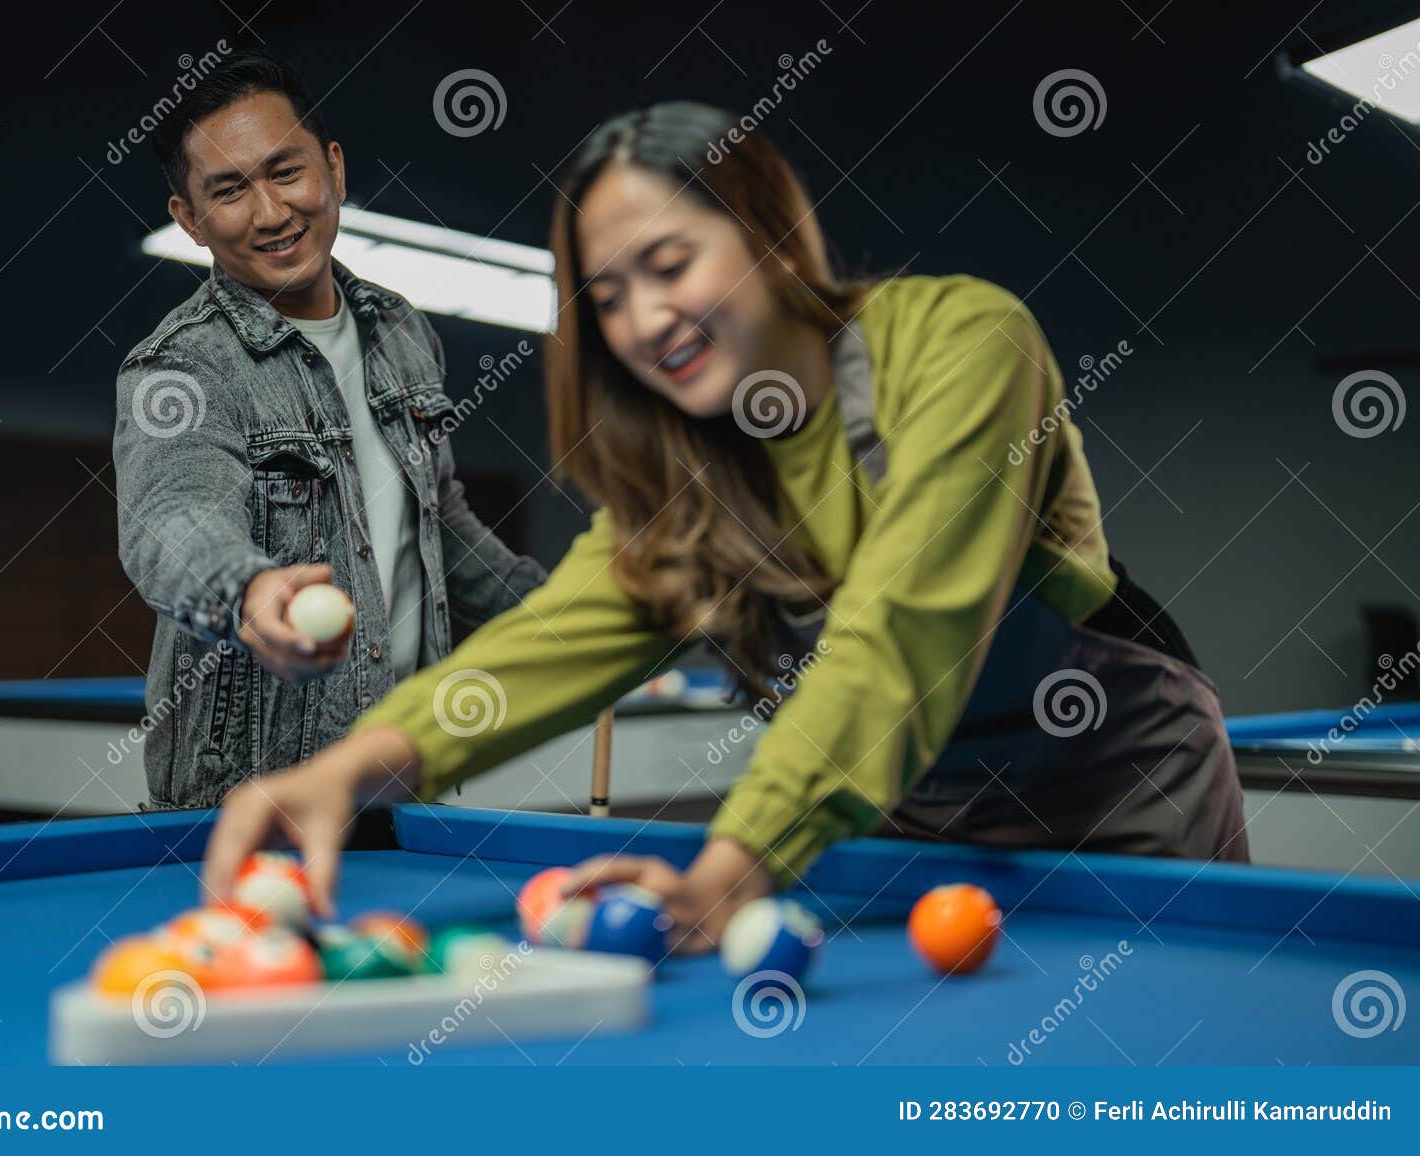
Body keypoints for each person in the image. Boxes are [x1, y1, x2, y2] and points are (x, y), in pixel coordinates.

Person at [201, 101, 1249, 949]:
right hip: (899, 821)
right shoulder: (685, 475)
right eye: (609, 296)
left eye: (670, 265)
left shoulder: (961, 340)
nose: (647, 321)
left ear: (770, 238)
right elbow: (542, 649)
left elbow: (905, 631)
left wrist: (727, 868)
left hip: (1123, 793)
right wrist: (351, 767)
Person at [114, 51, 544, 810]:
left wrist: (568, 620)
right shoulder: (181, 367)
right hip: (249, 808)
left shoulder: (402, 331)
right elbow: (171, 519)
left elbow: (438, 525)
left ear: (334, 168)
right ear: (189, 218)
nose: (272, 211)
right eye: (229, 190)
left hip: (406, 787)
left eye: (287, 171)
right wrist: (250, 593)